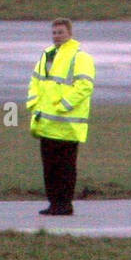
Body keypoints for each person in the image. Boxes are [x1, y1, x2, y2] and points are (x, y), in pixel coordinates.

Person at [27, 18, 95, 216]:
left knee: (65, 168)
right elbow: (36, 80)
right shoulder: (47, 55)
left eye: (60, 32)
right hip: (46, 122)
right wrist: (33, 103)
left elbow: (84, 86)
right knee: (49, 168)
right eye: (54, 32)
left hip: (67, 124)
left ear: (69, 33)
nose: (57, 36)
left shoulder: (80, 57)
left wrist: (64, 105)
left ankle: (64, 204)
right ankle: (53, 203)